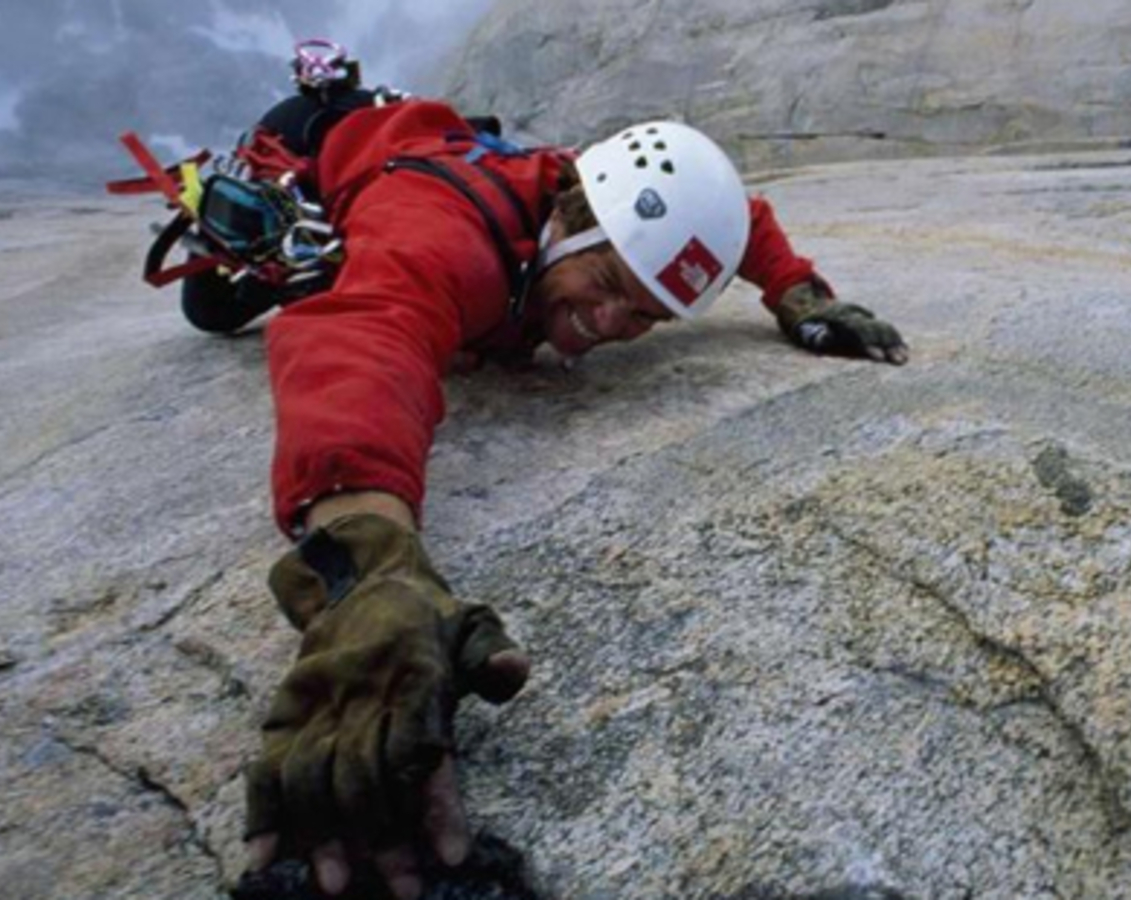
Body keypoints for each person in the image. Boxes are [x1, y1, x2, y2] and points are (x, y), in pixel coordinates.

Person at [159, 41, 908, 900]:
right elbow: (362, 342)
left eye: (646, 315)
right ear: (569, 217)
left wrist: (801, 297)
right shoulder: (446, 238)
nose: (609, 323)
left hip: (449, 149)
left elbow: (738, 216)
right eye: (608, 280)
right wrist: (366, 567)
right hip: (331, 143)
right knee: (212, 308)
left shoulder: (594, 197)